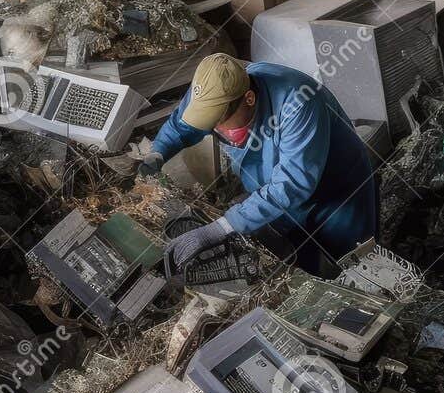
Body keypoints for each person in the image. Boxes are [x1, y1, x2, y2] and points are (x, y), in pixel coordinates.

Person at [142, 53, 377, 276]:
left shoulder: (299, 101)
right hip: (278, 192)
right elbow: (183, 125)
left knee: (355, 265)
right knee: (301, 260)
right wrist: (156, 155)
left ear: (249, 99)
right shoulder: (212, 90)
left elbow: (293, 183)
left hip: (336, 192)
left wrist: (220, 228)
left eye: (220, 122)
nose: (215, 130)